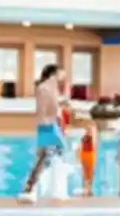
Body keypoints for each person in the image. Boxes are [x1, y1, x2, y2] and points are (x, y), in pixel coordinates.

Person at [19, 64, 67, 204]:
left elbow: (53, 107)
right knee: (44, 156)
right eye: (61, 74)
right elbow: (42, 109)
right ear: (54, 74)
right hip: (47, 125)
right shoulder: (44, 88)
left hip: (51, 125)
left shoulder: (52, 88)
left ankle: (50, 188)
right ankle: (30, 188)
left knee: (55, 153)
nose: (63, 77)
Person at [78, 122, 98, 197]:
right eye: (88, 129)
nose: (89, 131)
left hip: (90, 155)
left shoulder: (93, 138)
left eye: (90, 129)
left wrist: (94, 130)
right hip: (84, 155)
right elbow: (81, 147)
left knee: (90, 174)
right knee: (85, 174)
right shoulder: (84, 137)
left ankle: (89, 190)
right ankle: (87, 190)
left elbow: (94, 146)